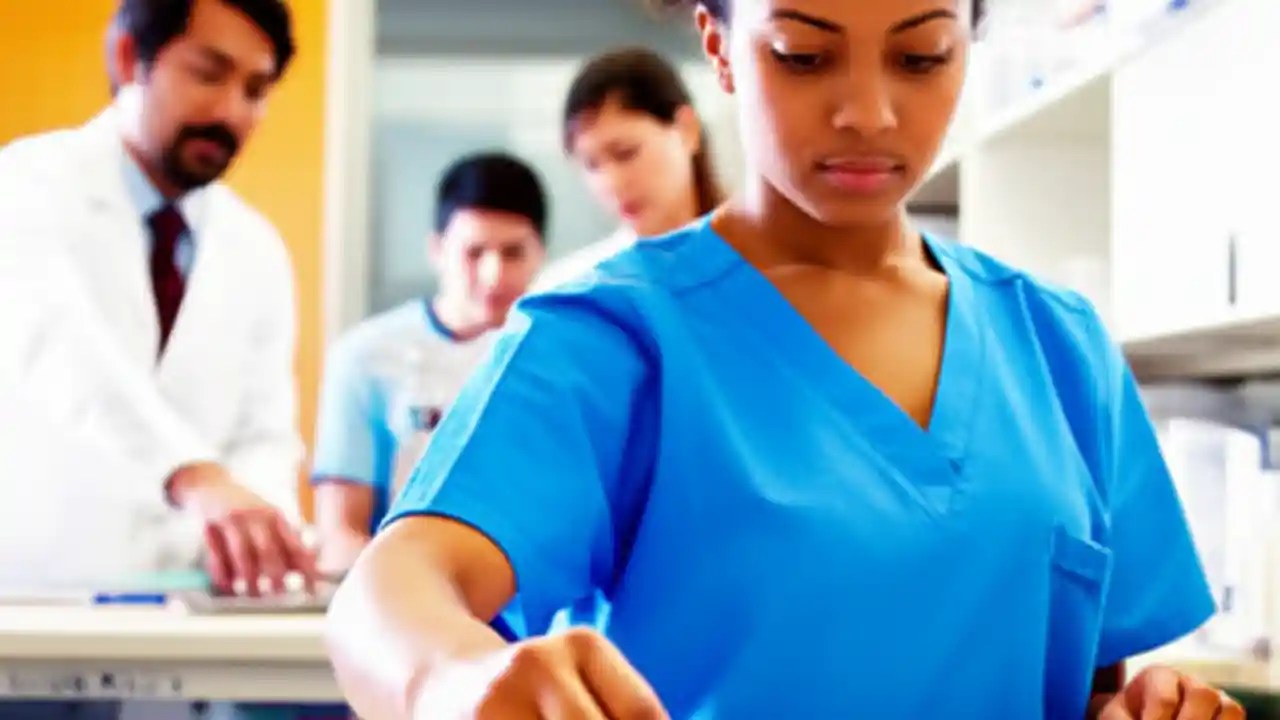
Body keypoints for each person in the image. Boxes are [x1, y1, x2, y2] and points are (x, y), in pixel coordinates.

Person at [324, 1, 1241, 719]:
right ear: (718, 46)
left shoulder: (1057, 345)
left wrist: (1147, 708)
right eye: (804, 54)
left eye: (921, 56)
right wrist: (449, 683)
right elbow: (391, 591)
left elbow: (1087, 683)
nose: (868, 111)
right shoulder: (617, 338)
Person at [311, 152, 549, 577]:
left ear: (540, 253)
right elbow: (339, 533)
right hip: (398, 601)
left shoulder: (557, 359)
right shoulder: (366, 357)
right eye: (474, 253)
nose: (493, 275)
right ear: (437, 250)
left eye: (513, 253)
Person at [533, 46, 724, 290]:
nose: (611, 183)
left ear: (687, 129)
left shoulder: (766, 263)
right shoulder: (573, 289)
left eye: (626, 153)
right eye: (591, 165)